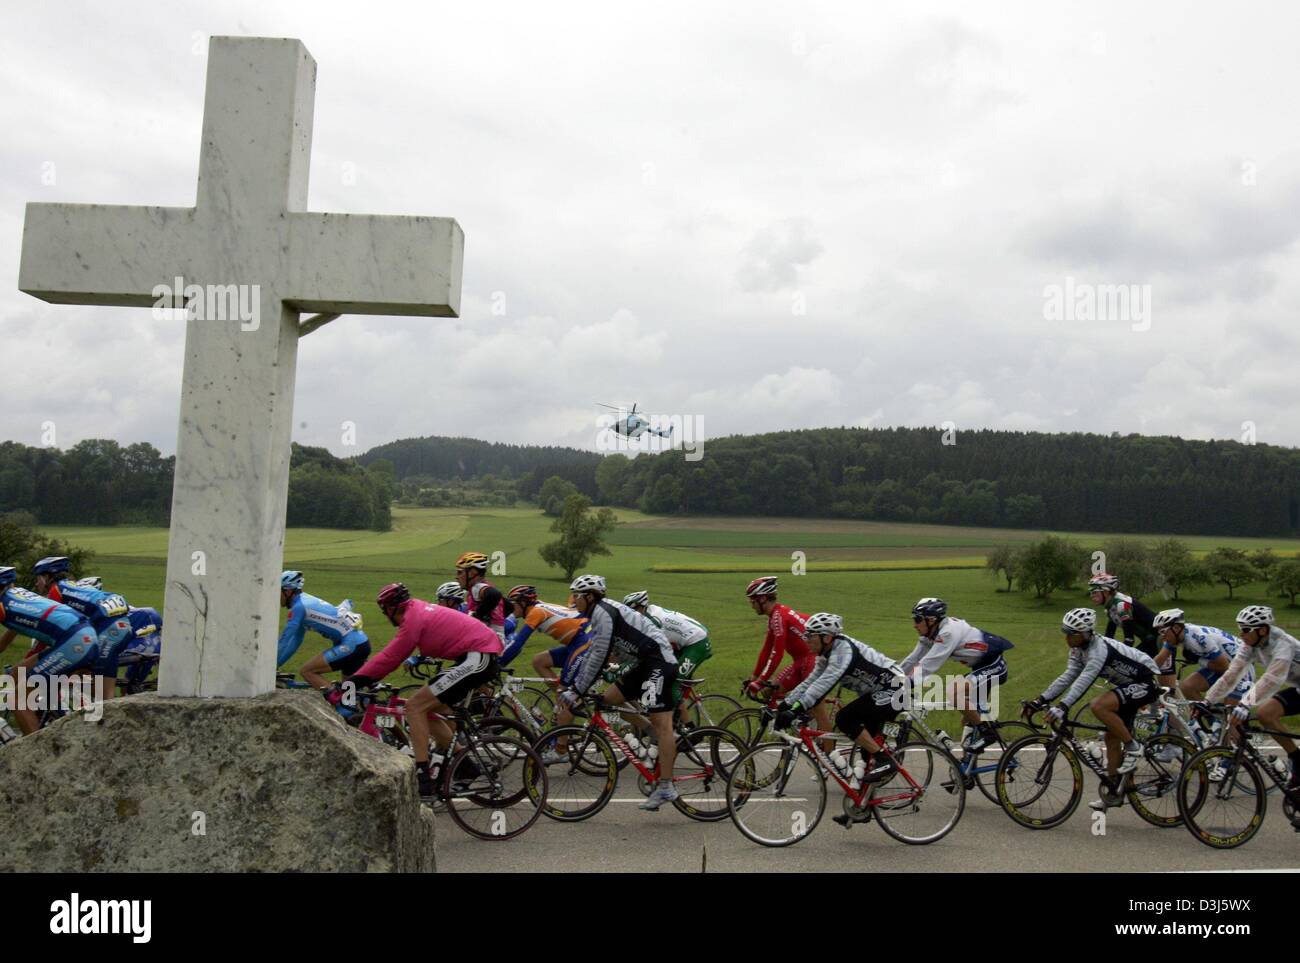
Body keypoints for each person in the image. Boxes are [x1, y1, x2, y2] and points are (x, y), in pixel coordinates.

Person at [346, 583, 504, 797]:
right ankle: (466, 766)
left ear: (391, 608)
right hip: (474, 656)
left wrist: (354, 681)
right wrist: (362, 678)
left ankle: (423, 777)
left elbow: (391, 657)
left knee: (414, 706)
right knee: (427, 711)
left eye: (384, 611)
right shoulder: (417, 611)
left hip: (478, 657)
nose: (385, 616)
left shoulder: (412, 619)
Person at [775, 612, 908, 827]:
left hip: (896, 689)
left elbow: (823, 685)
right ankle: (861, 807)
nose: (806, 639)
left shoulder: (843, 651)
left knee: (846, 718)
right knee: (865, 752)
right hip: (879, 693)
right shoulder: (825, 655)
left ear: (827, 637)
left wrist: (797, 709)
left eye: (811, 636)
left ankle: (887, 761)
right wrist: (785, 704)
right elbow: (810, 682)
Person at [561, 574, 681, 811]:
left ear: (590, 596)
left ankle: (666, 786)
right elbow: (605, 653)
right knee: (608, 700)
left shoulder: (603, 612)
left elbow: (598, 654)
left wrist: (576, 690)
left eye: (577, 596)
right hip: (644, 662)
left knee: (662, 722)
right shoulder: (600, 613)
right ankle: (649, 732)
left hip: (659, 661)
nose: (574, 601)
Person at [1024, 607, 1162, 810]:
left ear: (1085, 633)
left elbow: (1084, 681)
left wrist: (1063, 706)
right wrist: (1039, 700)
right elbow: (1068, 676)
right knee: (1111, 737)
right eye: (1065, 632)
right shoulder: (1078, 649)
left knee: (1099, 705)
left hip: (1146, 682)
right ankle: (1113, 792)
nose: (1067, 638)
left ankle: (1134, 747)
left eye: (1071, 634)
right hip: (1128, 686)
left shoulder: (1099, 650)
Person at [899, 597, 1014, 752]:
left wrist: (903, 684)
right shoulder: (931, 633)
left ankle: (988, 734)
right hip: (979, 668)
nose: (914, 624)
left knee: (953, 693)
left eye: (918, 619)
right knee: (967, 727)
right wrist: (891, 676)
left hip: (994, 666)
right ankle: (966, 770)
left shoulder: (947, 633)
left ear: (931, 620)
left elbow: (927, 666)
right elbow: (913, 659)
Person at [1204, 605, 1300, 791]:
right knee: (1265, 715)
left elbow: (1272, 679)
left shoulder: (1283, 644)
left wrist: (1245, 704)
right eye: (1241, 629)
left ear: (1262, 629)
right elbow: (1232, 673)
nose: (1241, 634)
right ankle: (1297, 759)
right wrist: (1208, 700)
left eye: (1246, 630)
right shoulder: (1251, 645)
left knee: (1263, 712)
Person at [0, 566, 99, 734]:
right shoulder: (18, 597)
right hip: (81, 636)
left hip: (73, 641)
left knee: (17, 699)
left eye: (39, 578)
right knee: (17, 673)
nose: (37, 582)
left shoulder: (3, 605)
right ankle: (51, 715)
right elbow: (5, 642)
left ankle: (35, 756)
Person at [742, 576, 833, 740]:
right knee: (769, 691)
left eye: (753, 601)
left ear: (762, 599)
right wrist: (755, 678)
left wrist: (761, 679)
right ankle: (800, 722)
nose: (751, 604)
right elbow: (766, 650)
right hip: (800, 662)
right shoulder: (775, 616)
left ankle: (827, 755)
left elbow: (777, 653)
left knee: (819, 712)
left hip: (812, 661)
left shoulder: (779, 617)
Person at [623, 590, 712, 727]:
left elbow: (651, 649)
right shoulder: (647, 614)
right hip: (684, 643)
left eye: (632, 610)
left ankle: (690, 727)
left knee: (673, 682)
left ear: (641, 607)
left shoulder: (653, 620)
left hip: (697, 644)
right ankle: (675, 716)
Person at [276, 570, 371, 690]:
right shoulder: (304, 601)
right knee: (350, 696)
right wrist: (277, 663)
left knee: (307, 671)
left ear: (288, 591)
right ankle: (354, 705)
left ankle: (336, 699)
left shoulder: (299, 608)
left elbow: (286, 638)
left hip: (351, 645)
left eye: (277, 591)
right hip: (360, 643)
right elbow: (296, 640)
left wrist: (271, 666)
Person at [52, 576, 135, 699]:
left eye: (38, 579)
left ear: (47, 578)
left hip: (110, 631)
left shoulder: (56, 592)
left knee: (100, 692)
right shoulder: (72, 591)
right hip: (118, 627)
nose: (37, 583)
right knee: (102, 691)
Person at [1152, 608, 1251, 706]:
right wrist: (1142, 673)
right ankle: (1211, 718)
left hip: (1241, 669)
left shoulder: (1200, 638)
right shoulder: (1176, 637)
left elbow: (1224, 667)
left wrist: (1199, 660)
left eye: (1163, 632)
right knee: (1187, 687)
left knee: (1230, 715)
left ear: (1176, 628)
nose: (1162, 637)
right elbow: (1160, 658)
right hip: (1223, 665)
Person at [1088, 573, 1160, 657]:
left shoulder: (1121, 605)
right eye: (1091, 592)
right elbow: (1109, 635)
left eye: (1094, 592)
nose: (1092, 596)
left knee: (1134, 664)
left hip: (1160, 638)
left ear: (1106, 592)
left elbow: (1129, 639)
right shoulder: (1110, 607)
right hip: (1149, 641)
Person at [453, 552, 506, 638]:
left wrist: (477, 616)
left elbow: (494, 595)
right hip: (495, 637)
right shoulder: (486, 585)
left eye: (460, 572)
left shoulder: (477, 587)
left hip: (486, 640)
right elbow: (509, 607)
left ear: (472, 573)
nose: (457, 577)